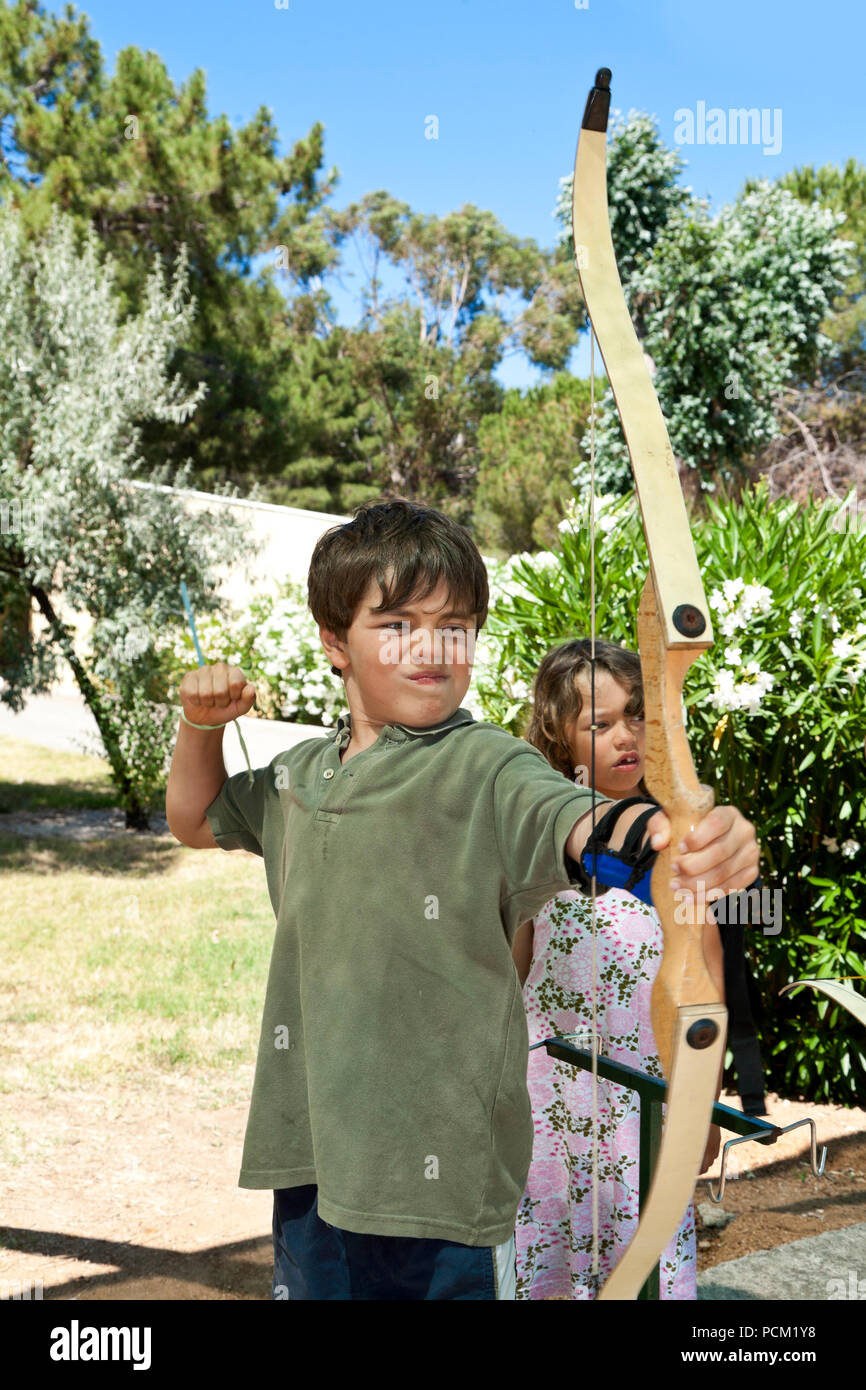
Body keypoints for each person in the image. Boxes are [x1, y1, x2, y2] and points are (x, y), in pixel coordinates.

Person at [165, 497, 760, 1301]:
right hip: (312, 1154)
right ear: (335, 642)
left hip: (440, 1189)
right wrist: (199, 727)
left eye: (456, 625)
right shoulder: (299, 774)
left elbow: (583, 823)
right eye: (399, 623)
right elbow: (196, 819)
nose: (433, 648)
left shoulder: (486, 764)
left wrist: (675, 840)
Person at [512, 638, 744, 1299]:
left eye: (638, 715)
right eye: (601, 723)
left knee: (641, 1267)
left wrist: (703, 1104)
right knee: (548, 1269)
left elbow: (707, 983)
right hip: (547, 1109)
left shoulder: (684, 838)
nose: (626, 737)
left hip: (646, 1109)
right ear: (559, 737)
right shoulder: (538, 837)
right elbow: (507, 975)